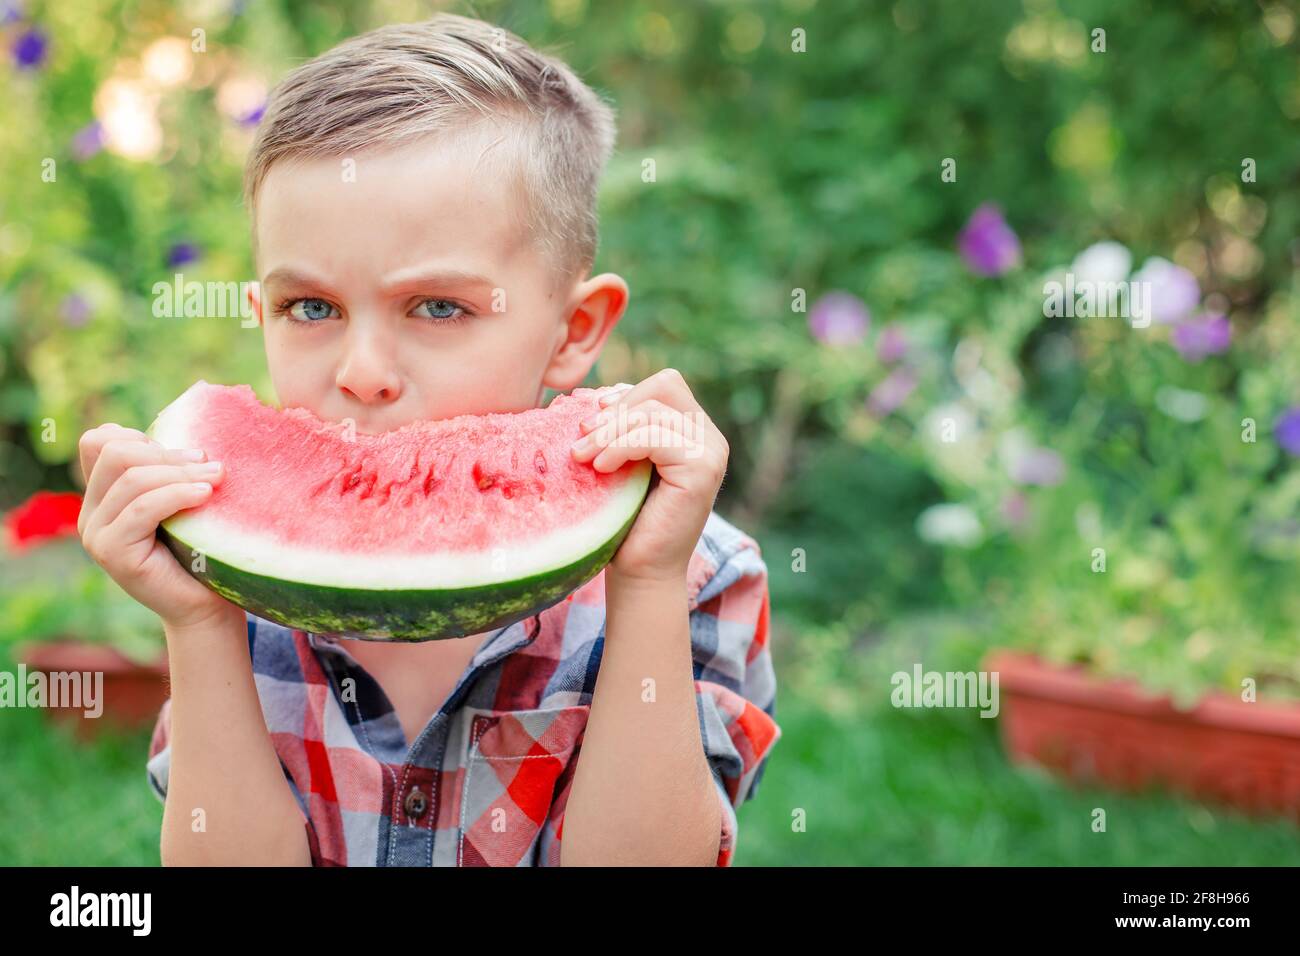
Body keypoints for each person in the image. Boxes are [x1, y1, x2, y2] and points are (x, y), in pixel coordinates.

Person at [76, 13, 779, 867]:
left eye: (439, 307)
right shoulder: (236, 590)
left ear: (574, 330)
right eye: (312, 308)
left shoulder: (700, 571)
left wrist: (651, 587)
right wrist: (198, 626)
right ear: (261, 315)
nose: (363, 370)